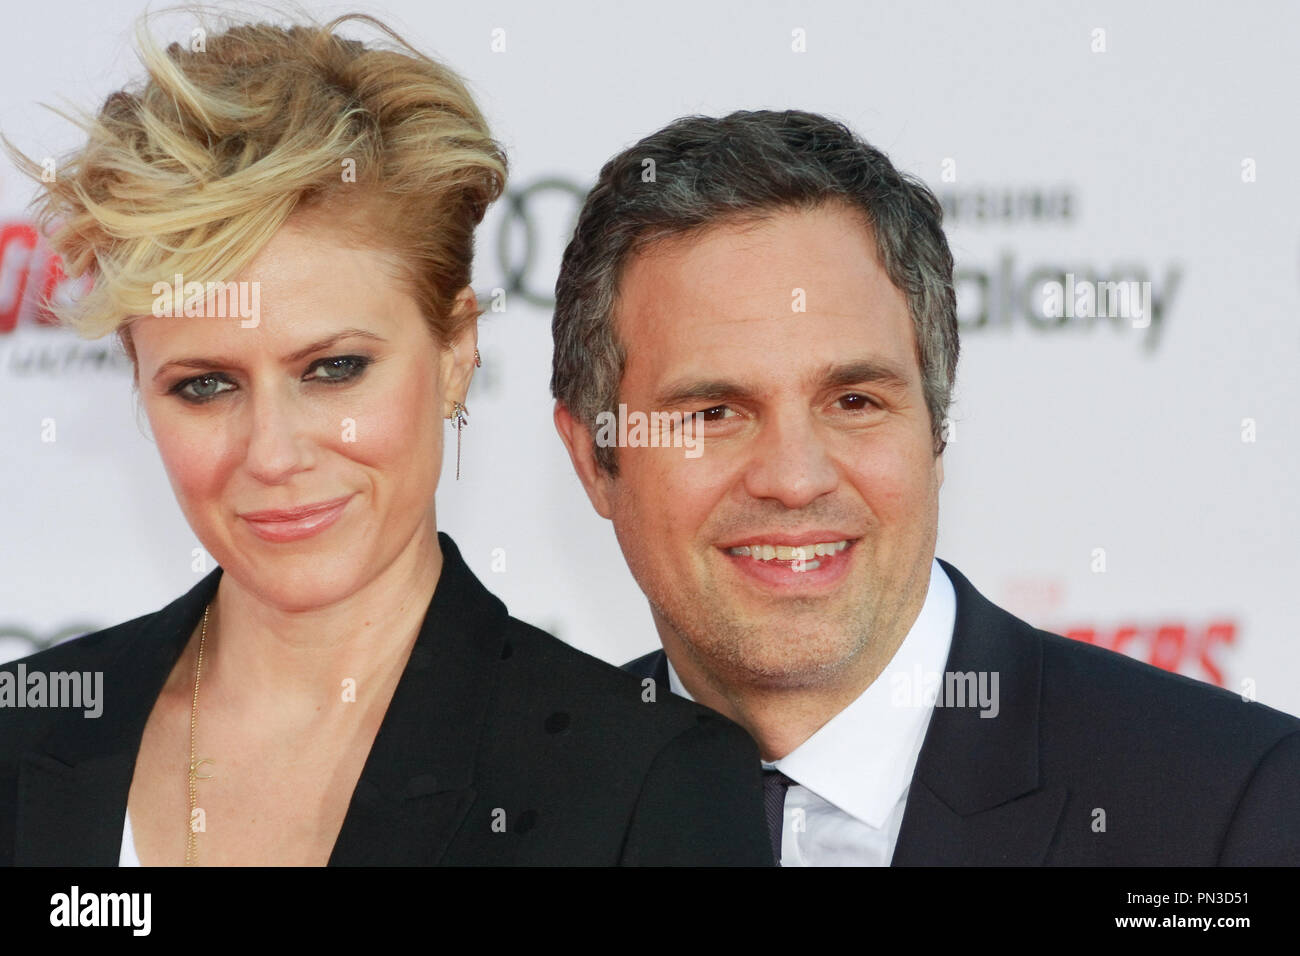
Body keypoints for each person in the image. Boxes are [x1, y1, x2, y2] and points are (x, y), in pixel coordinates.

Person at [0, 12, 770, 867]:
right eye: (205, 385)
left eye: (334, 369)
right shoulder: (22, 730)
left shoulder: (641, 783)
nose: (273, 455)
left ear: (455, 353)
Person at [551, 108, 1300, 865]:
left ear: (936, 431)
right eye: (713, 414)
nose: (795, 479)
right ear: (593, 459)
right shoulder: (521, 806)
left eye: (854, 402)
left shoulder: (1235, 808)